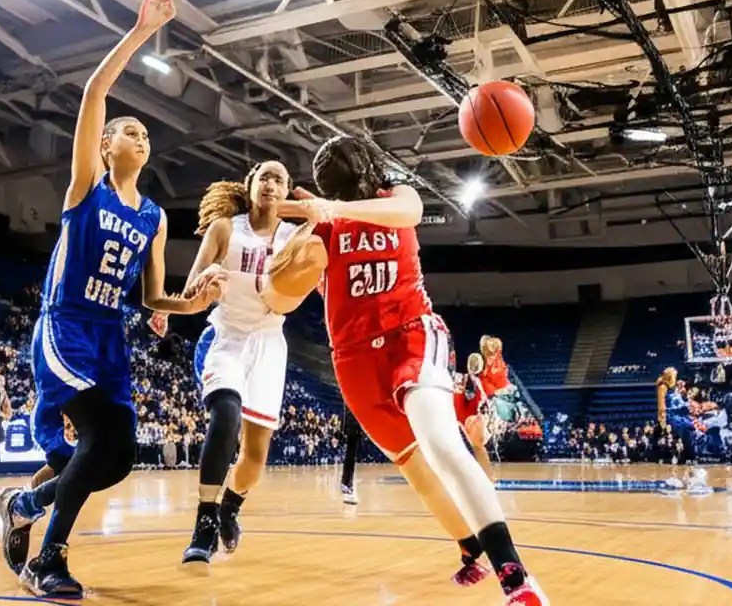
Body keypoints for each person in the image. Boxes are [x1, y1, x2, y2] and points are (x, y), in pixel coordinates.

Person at [0, 0, 226, 599]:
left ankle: (26, 502)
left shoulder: (154, 217)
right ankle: (49, 559)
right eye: (129, 130)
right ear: (104, 146)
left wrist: (192, 303)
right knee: (96, 440)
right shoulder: (85, 188)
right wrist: (144, 29)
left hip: (110, 339)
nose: (140, 136)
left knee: (118, 457)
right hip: (65, 327)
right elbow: (95, 90)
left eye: (146, 135)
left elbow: (152, 298)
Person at [278, 135, 548, 605]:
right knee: (417, 472)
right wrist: (295, 236)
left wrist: (329, 210)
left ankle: (518, 581)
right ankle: (469, 546)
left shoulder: (395, 198)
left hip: (411, 334)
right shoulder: (321, 227)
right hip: (353, 358)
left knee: (442, 445)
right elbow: (279, 294)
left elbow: (411, 214)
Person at [177, 161, 304, 568]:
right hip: (227, 335)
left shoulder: (296, 237)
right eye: (264, 177)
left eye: (279, 179)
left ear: (287, 191)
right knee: (225, 415)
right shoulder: (225, 229)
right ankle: (204, 521)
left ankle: (231, 505)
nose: (270, 184)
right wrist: (208, 279)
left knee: (255, 456)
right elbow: (189, 289)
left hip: (269, 342)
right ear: (249, 185)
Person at [455, 353, 495, 481]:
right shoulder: (470, 380)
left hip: (466, 417)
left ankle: (487, 476)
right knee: (476, 448)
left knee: (476, 448)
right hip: (466, 417)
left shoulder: (468, 380)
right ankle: (487, 476)